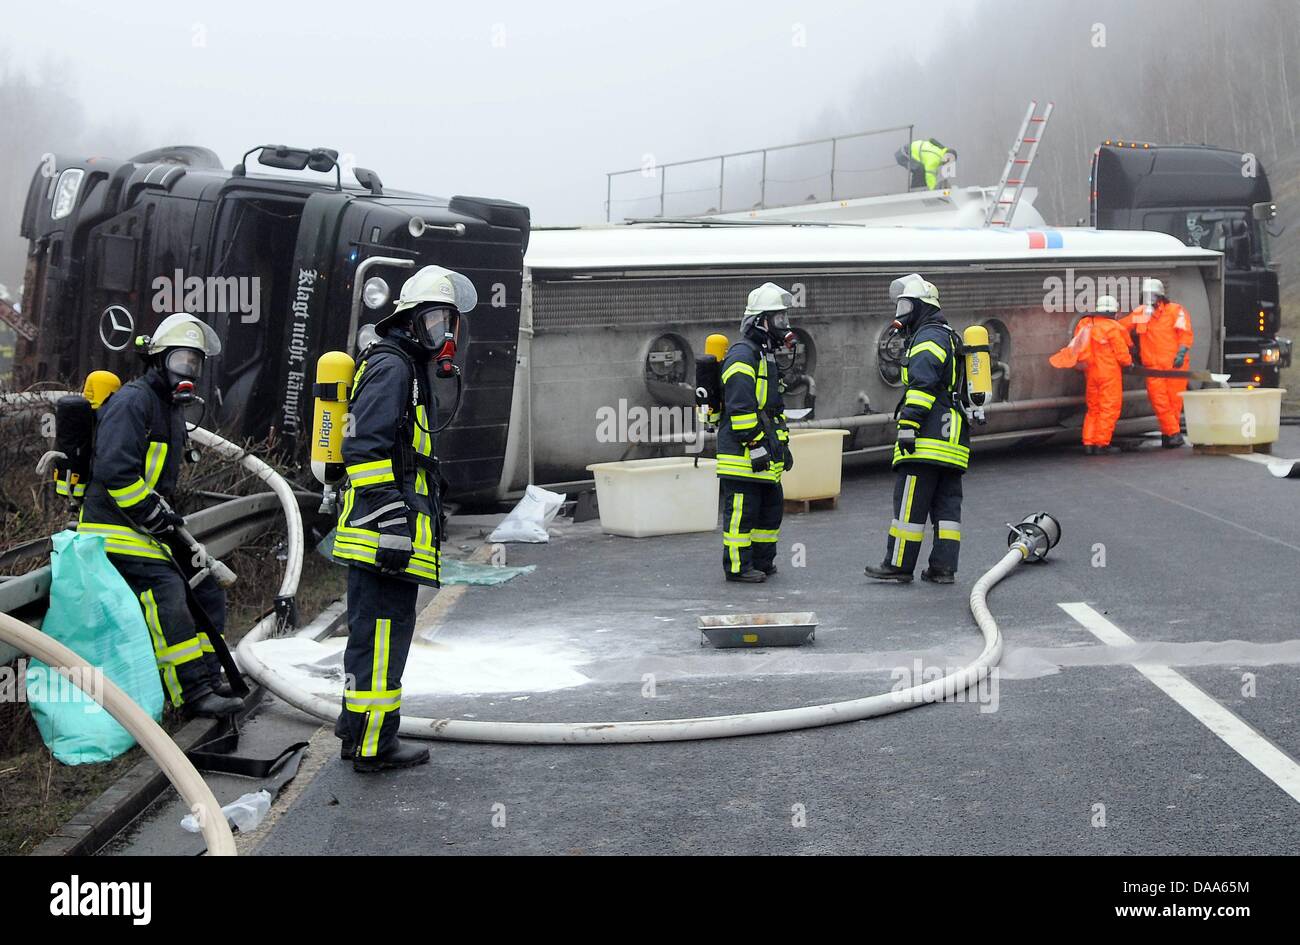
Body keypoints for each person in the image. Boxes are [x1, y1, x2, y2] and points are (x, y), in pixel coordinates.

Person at [331, 265, 475, 772]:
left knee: (373, 639)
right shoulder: (393, 367)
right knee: (383, 640)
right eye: (436, 320)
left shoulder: (407, 369)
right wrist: (393, 524)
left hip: (387, 537)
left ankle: (357, 735)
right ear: (411, 319)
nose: (445, 333)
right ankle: (374, 747)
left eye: (449, 323)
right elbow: (363, 449)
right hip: (384, 537)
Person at [78, 313, 240, 717]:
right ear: (157, 359)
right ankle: (191, 694)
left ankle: (210, 671)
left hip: (145, 527)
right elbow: (116, 472)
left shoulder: (168, 408)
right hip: (111, 527)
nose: (189, 372)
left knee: (204, 583)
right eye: (181, 361)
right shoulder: (133, 402)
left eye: (195, 364)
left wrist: (163, 520)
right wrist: (154, 517)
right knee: (167, 588)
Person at [865, 274, 968, 585]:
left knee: (910, 505)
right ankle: (943, 568)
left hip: (927, 439)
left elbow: (922, 385)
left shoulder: (928, 338)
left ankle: (898, 563)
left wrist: (908, 424)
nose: (901, 313)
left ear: (922, 307)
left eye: (907, 305)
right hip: (953, 441)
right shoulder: (949, 335)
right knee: (947, 509)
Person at [715, 282, 795, 584]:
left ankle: (762, 562)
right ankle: (737, 567)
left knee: (769, 512)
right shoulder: (742, 355)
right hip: (743, 455)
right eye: (778, 319)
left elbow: (773, 409)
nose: (784, 326)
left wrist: (781, 447)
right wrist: (756, 444)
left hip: (765, 455)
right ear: (761, 321)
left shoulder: (764, 355)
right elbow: (740, 407)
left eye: (785, 318)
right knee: (742, 513)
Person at [1049, 295, 1133, 454]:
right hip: (1109, 374)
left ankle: (1089, 443)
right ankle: (1101, 443)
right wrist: (1129, 364)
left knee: (1093, 408)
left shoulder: (1085, 324)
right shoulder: (1113, 327)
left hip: (1091, 373)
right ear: (1113, 311)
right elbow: (1122, 353)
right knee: (1109, 408)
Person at [1118, 278, 1194, 448]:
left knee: (1174, 402)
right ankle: (1173, 433)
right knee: (1159, 402)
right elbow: (1120, 328)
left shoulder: (1175, 310)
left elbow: (1185, 333)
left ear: (1160, 296)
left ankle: (1169, 435)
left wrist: (1182, 352)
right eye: (1146, 295)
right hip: (1153, 367)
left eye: (1152, 295)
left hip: (1175, 365)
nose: (1149, 299)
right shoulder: (1140, 313)